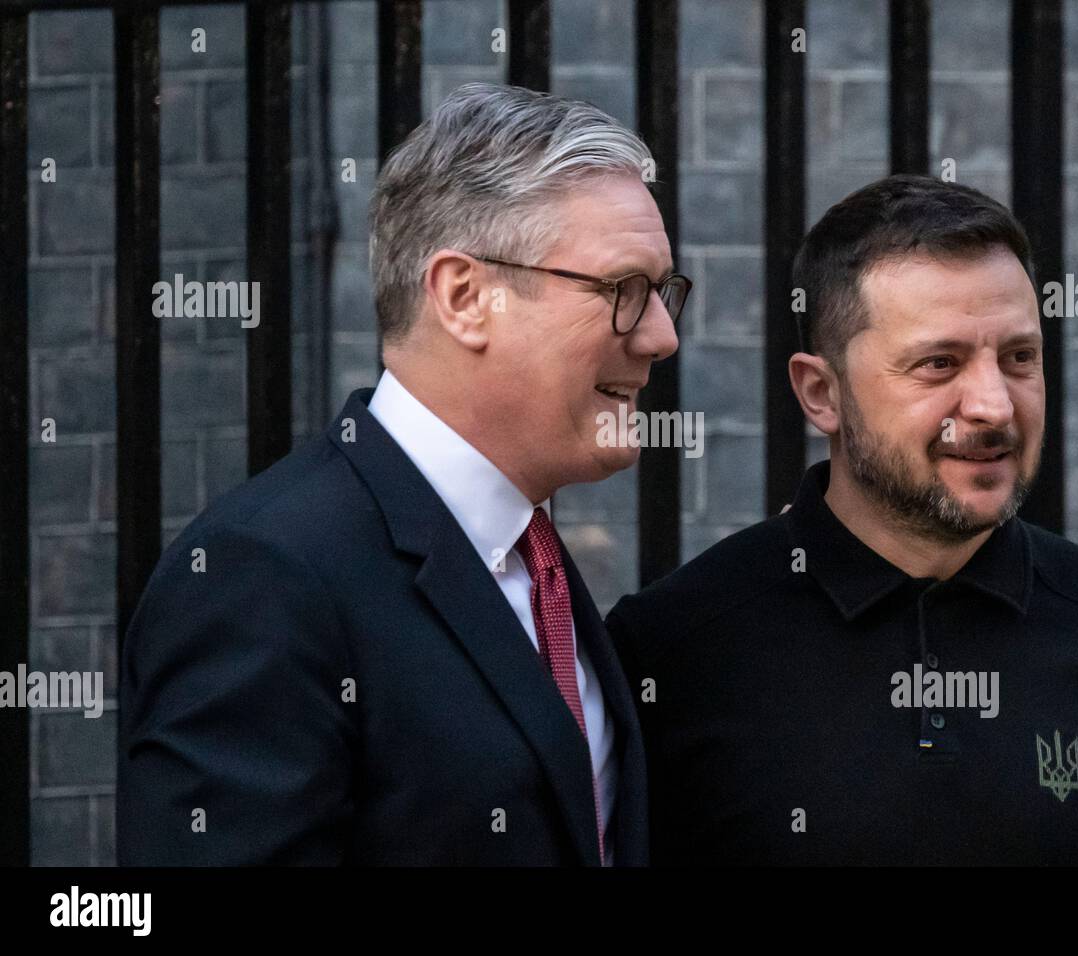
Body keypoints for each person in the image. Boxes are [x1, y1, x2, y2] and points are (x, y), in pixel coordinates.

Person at [118, 83, 687, 865]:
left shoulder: (532, 558)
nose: (660, 336)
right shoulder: (265, 576)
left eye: (661, 294)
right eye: (623, 291)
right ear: (464, 297)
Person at [606, 174, 1078, 865]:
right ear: (822, 393)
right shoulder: (672, 651)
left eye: (1020, 358)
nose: (995, 406)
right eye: (940, 364)